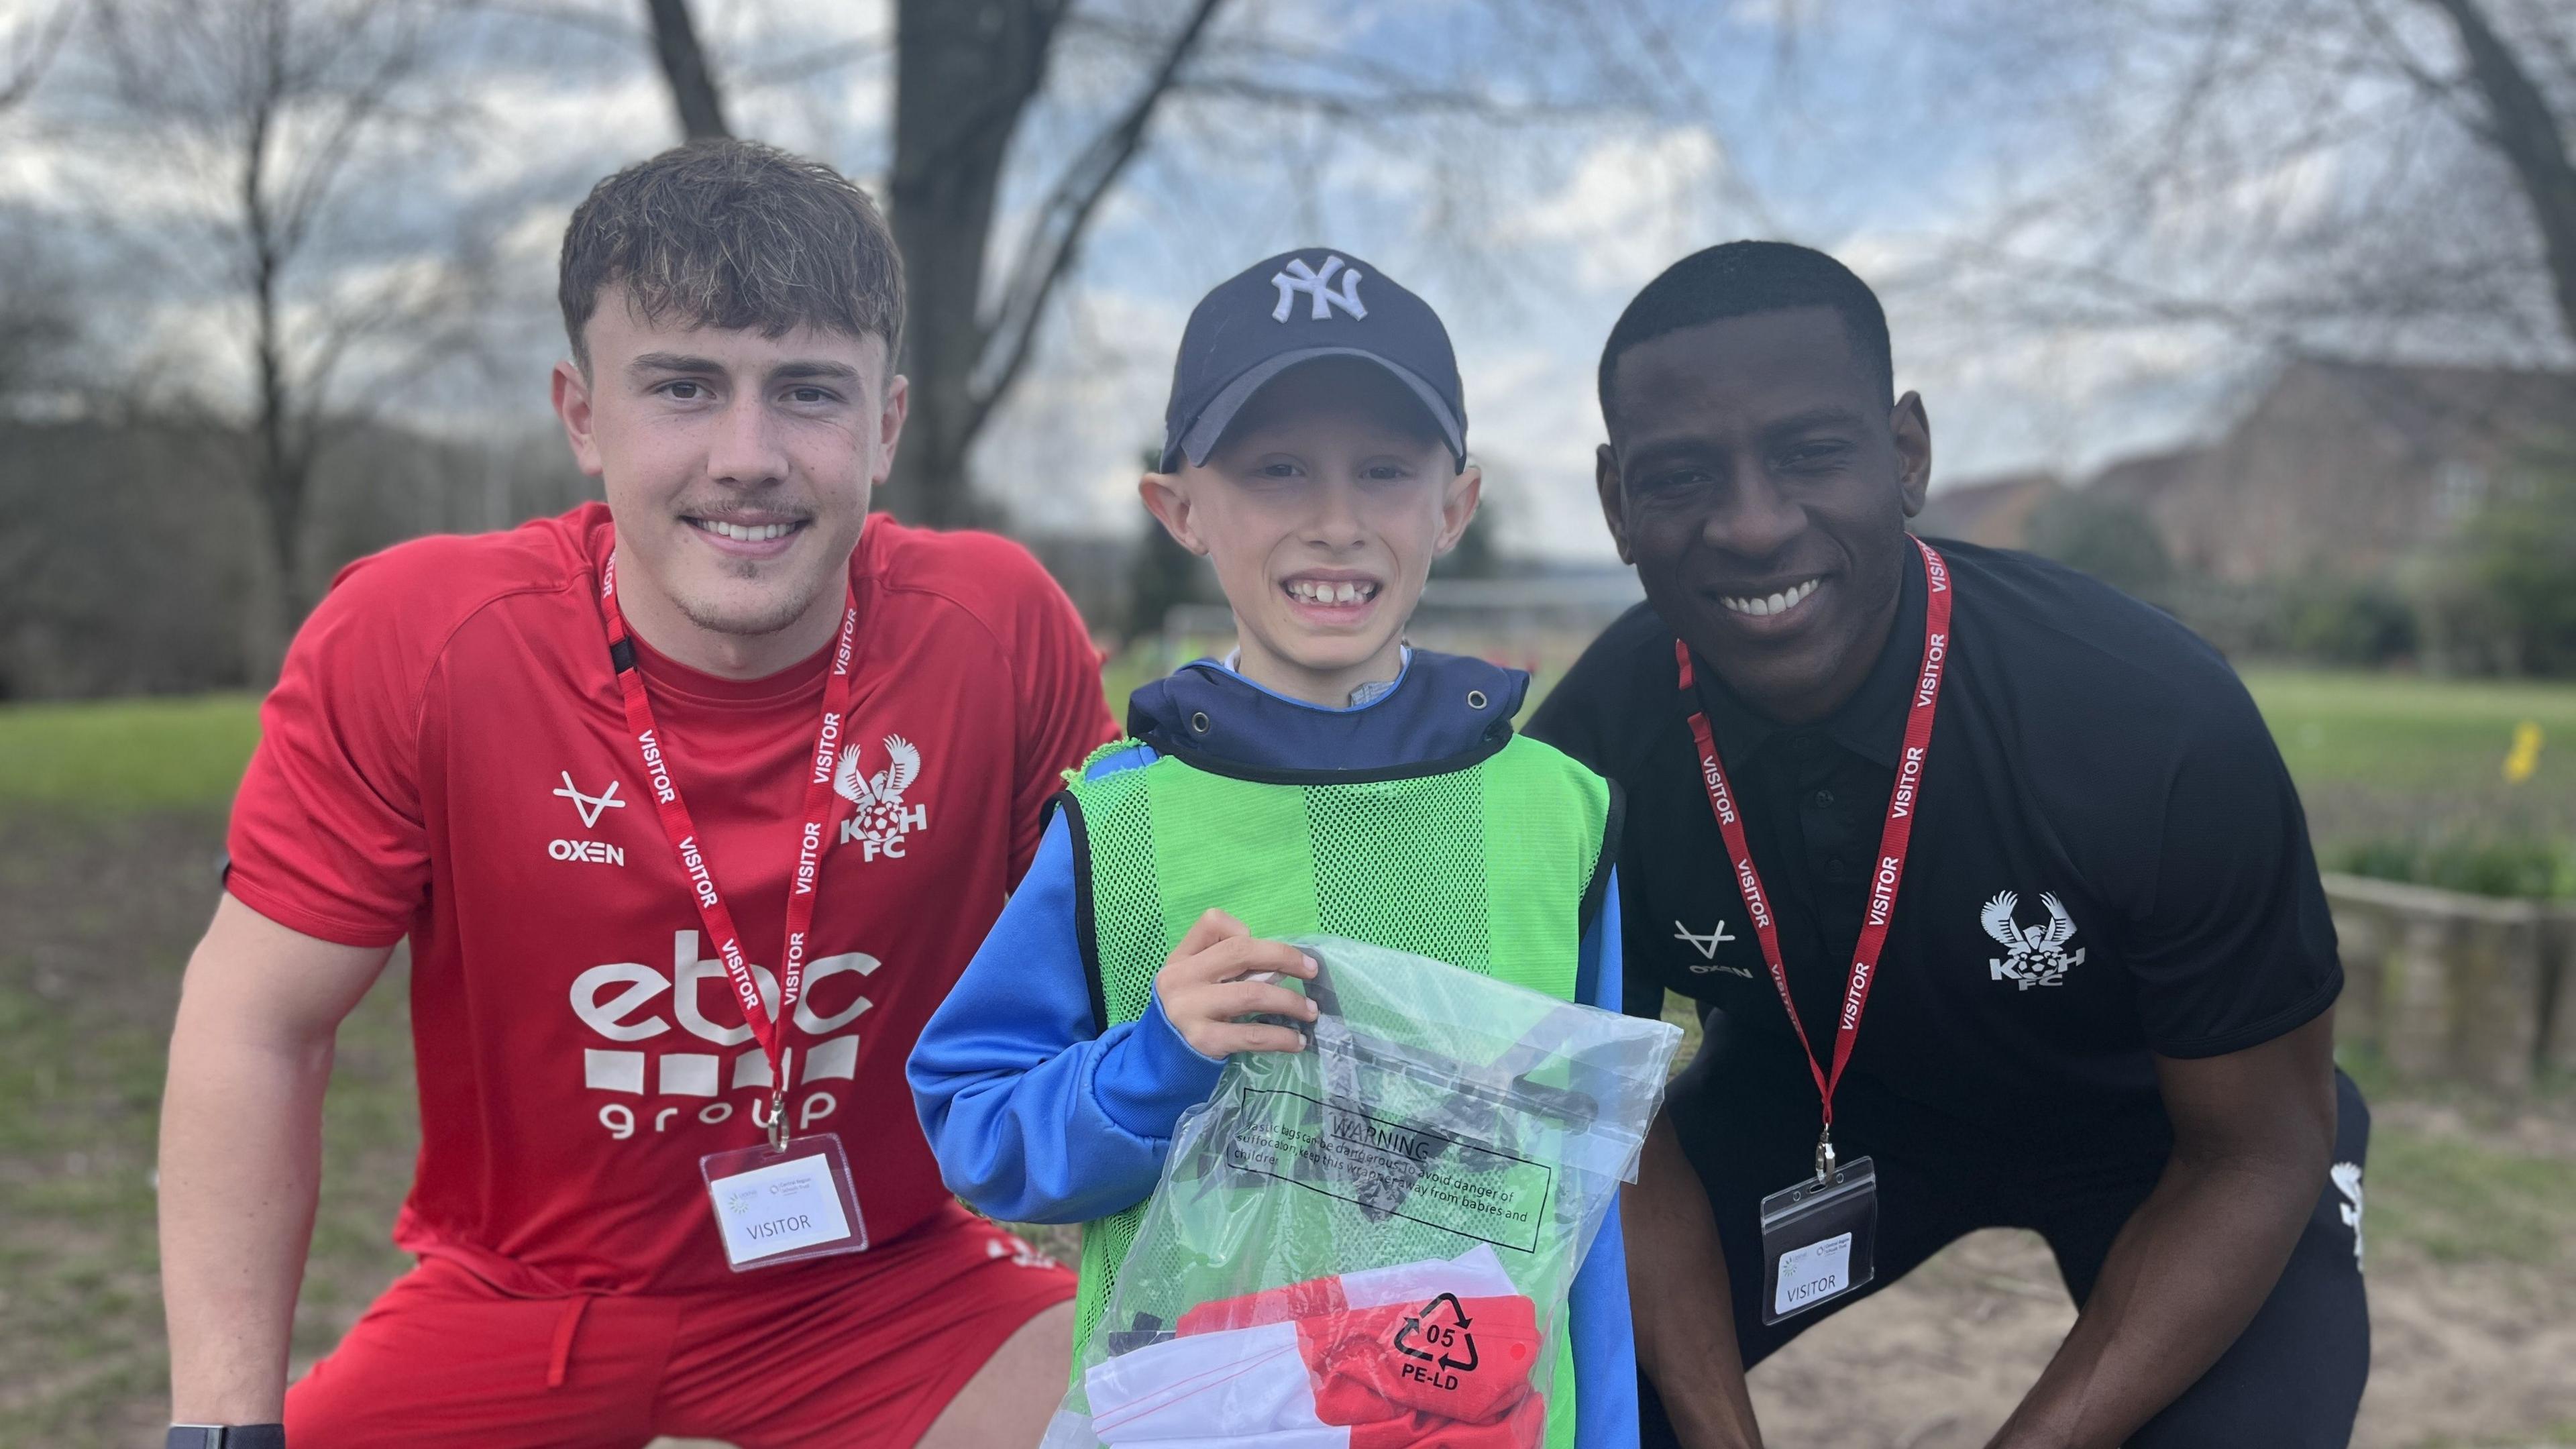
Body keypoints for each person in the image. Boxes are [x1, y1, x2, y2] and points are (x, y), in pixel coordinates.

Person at [156, 140, 1118, 1449]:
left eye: (808, 393)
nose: (748, 454)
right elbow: (258, 1026)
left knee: (1180, 1416)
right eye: (682, 386)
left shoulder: (994, 630)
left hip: (889, 1282)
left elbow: (1135, 982)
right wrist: (221, 1430)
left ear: (886, 424)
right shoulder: (422, 636)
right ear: (580, 412)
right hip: (523, 1305)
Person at [1526, 241, 2369, 1449]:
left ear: (1906, 454)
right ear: (1616, 504)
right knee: (1556, 1386)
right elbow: (1611, 1129)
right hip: (1818, 1101)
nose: (1755, 525)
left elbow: (2259, 1152)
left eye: (1812, 452)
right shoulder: (1594, 754)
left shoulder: (2149, 713)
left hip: (2166, 1127)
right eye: (1681, 476)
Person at [907, 248, 1643, 1446]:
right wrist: (1150, 1066)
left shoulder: (1564, 814)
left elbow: (1589, 1207)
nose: (1337, 521)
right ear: (1181, 509)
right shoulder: (1116, 817)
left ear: (1454, 505)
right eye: (1277, 470)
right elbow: (976, 1126)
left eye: (1386, 471)